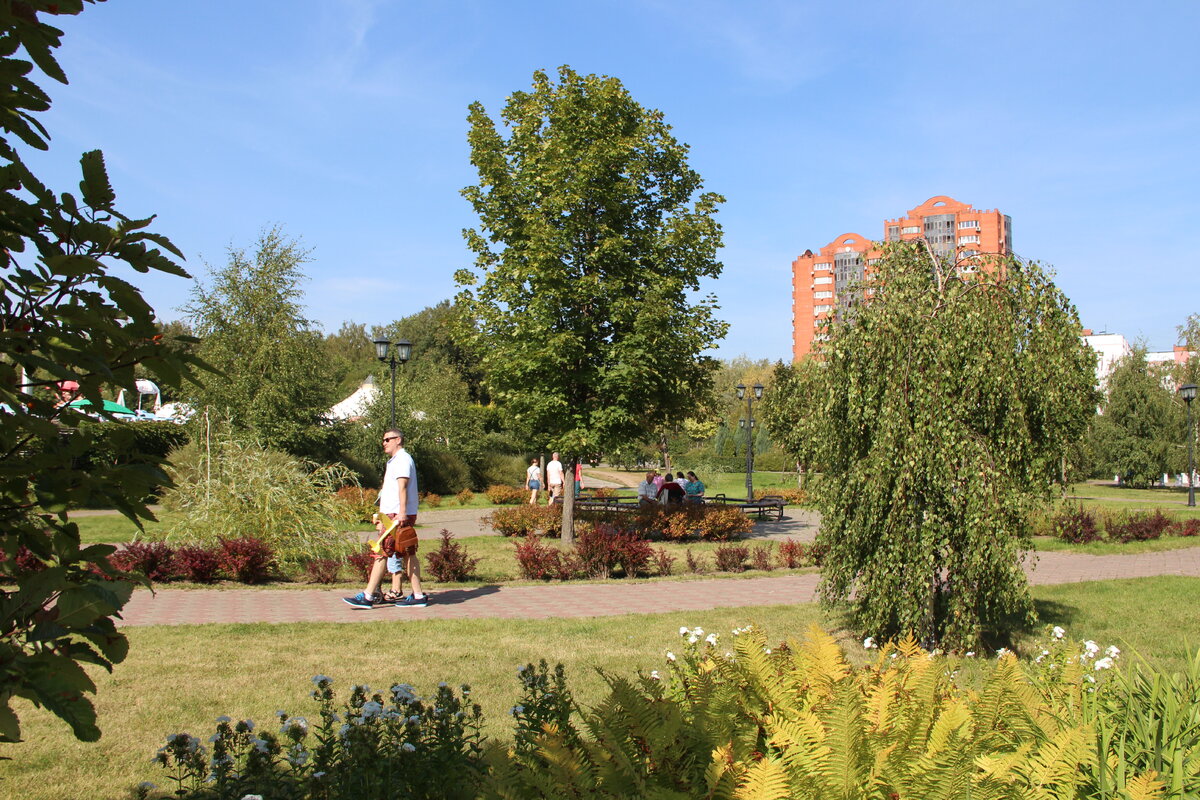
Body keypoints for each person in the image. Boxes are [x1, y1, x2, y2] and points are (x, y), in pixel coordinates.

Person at [344, 429, 428, 609]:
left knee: (382, 551)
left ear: (398, 440)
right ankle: (418, 595)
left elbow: (403, 487)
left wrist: (402, 513)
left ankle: (367, 596)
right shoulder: (396, 460)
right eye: (383, 440)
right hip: (393, 514)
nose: (384, 443)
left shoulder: (402, 459)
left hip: (397, 515)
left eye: (388, 439)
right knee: (407, 552)